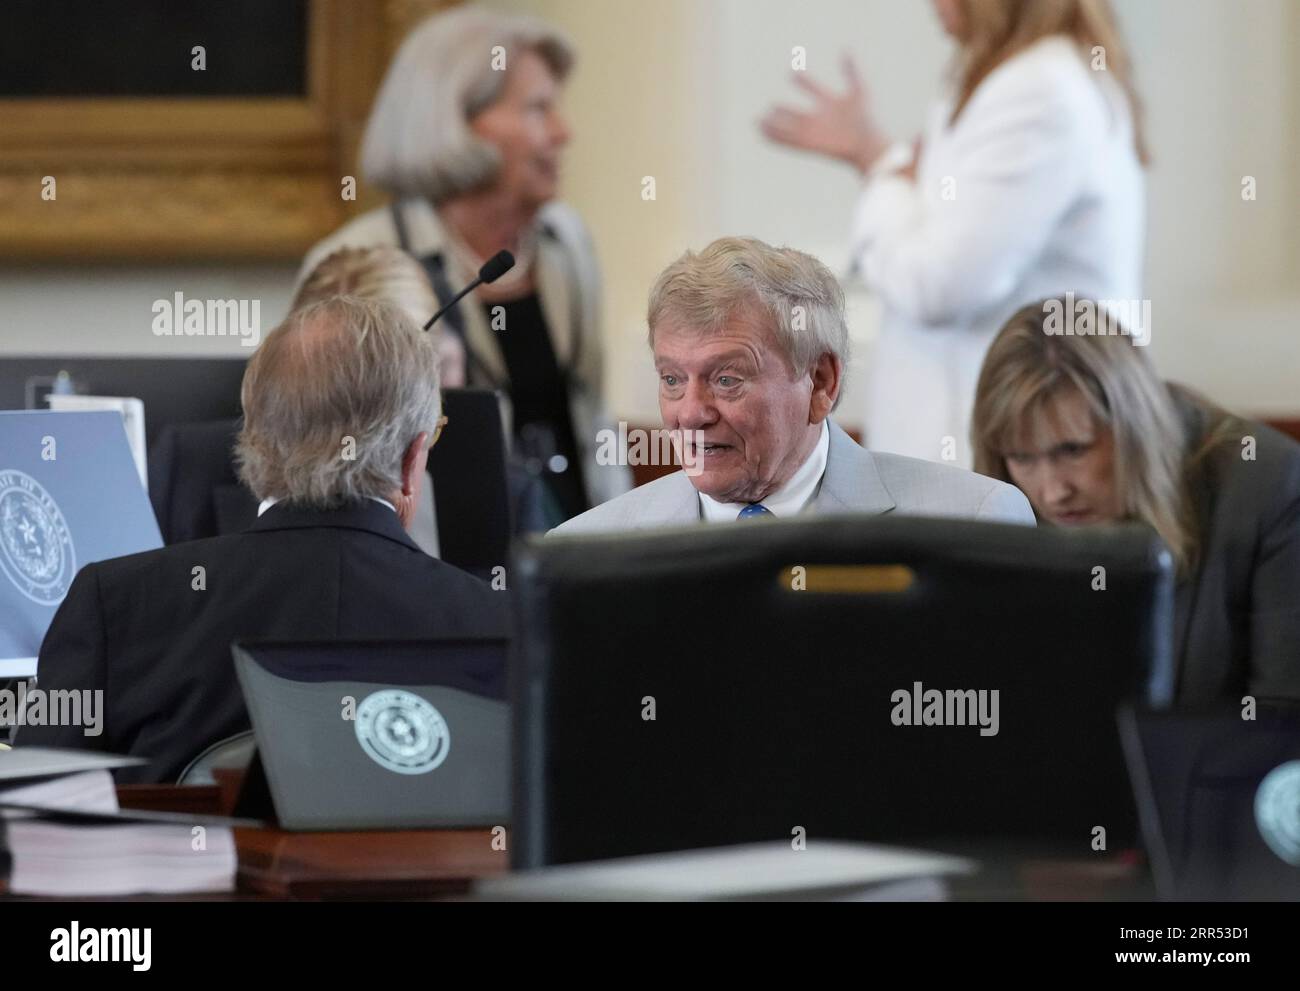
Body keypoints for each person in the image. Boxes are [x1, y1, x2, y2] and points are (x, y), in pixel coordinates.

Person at [17, 297, 508, 782]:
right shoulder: (498, 628)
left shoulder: (117, 609)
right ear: (413, 458)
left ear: (252, 436)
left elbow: (34, 819)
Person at [760, 0, 1146, 467]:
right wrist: (887, 161)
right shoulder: (1024, 78)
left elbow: (937, 284)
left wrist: (877, 164)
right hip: (999, 448)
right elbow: (943, 221)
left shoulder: (1037, 90)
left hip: (1012, 455)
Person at [299, 5, 630, 521]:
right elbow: (329, 452)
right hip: (439, 565)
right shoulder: (358, 263)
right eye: (539, 109)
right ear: (458, 122)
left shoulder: (567, 242)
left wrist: (619, 546)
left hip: (572, 554)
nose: (563, 132)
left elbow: (592, 417)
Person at [554, 237, 1034, 534]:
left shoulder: (972, 521)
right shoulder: (585, 551)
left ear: (821, 382)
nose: (691, 412)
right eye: (672, 380)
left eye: (726, 379)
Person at [971, 299, 1300, 703]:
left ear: (1135, 429)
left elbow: (1281, 727)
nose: (1053, 492)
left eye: (1073, 450)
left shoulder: (1270, 487)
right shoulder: (1002, 505)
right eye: (1022, 457)